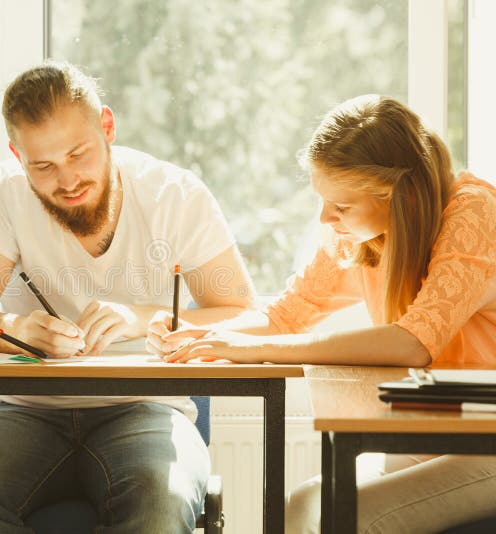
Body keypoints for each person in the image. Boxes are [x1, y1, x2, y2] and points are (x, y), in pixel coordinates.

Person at [0, 61, 254, 533]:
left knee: (159, 503)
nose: (67, 180)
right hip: (26, 408)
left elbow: (242, 316)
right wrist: (17, 330)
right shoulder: (4, 192)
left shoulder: (175, 196)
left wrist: (142, 318)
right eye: (43, 166)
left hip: (147, 407)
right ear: (17, 155)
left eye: (78, 154)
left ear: (107, 126)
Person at [149, 94, 496, 533]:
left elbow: (414, 342)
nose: (326, 218)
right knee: (301, 505)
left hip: (485, 439)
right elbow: (285, 315)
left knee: (354, 517)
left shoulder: (473, 212)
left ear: (400, 197)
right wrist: (195, 334)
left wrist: (257, 350)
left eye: (342, 206)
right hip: (437, 432)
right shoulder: (356, 235)